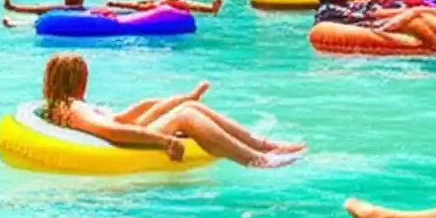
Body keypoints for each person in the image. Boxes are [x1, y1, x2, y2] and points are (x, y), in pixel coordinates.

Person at [39, 53, 304, 168]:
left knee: (189, 106)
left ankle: (266, 146)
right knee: (186, 115)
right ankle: (257, 160)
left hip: (127, 134)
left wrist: (170, 101)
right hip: (122, 145)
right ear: (78, 80)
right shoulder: (74, 108)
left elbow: (120, 119)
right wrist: (163, 141)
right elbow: (111, 131)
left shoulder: (65, 105)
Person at [2, 0, 87, 27]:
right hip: (81, 27)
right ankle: (14, 23)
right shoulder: (86, 10)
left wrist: (13, 7)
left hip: (56, 27)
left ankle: (15, 23)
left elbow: (34, 9)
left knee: (38, 21)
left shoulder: (59, 9)